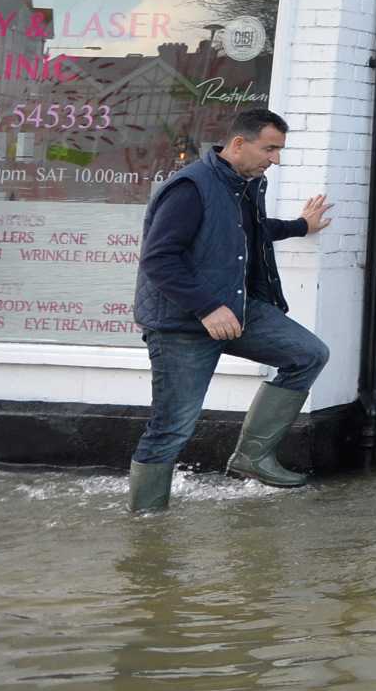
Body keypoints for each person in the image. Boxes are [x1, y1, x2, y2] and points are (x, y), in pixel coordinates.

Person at [127, 107, 334, 512]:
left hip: (237, 309)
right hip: (183, 323)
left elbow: (250, 232)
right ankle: (146, 519)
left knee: (308, 354)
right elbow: (159, 258)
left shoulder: (244, 184)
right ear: (239, 144)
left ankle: (252, 457)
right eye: (270, 148)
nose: (275, 158)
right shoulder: (190, 187)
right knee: (172, 428)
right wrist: (208, 308)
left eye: (278, 150)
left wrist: (299, 226)